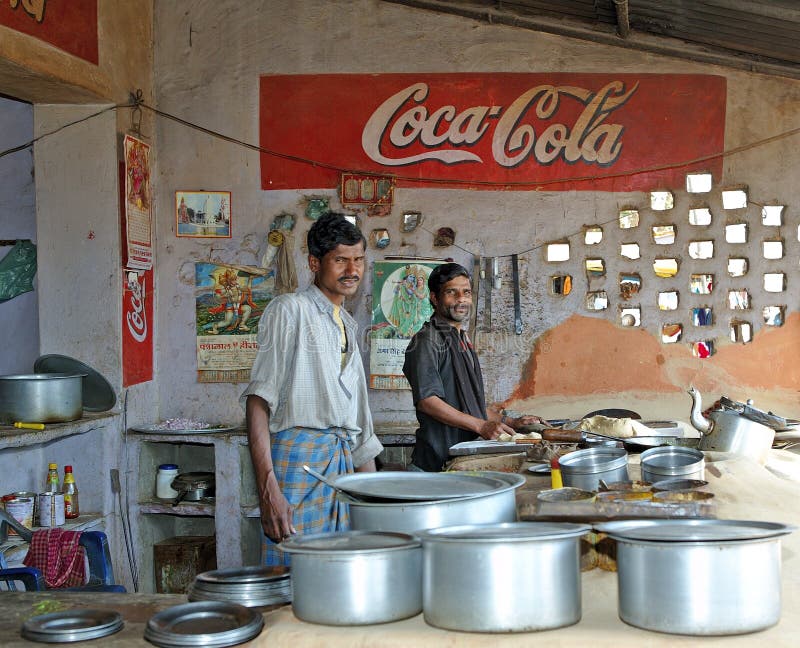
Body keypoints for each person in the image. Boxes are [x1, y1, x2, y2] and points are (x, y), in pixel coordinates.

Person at [242, 213, 383, 565]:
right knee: (294, 577)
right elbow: (258, 403)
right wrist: (268, 490)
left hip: (342, 470)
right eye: (340, 260)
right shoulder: (290, 310)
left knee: (337, 577)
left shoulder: (348, 325)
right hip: (297, 466)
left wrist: (376, 499)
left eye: (358, 260)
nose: (352, 270)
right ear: (314, 263)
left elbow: (360, 429)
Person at [403, 262, 544, 472]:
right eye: (452, 292)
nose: (461, 299)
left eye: (466, 292)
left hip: (461, 460)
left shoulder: (461, 339)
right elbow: (428, 401)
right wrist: (480, 426)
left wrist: (511, 422)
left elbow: (470, 406)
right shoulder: (427, 340)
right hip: (435, 467)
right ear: (434, 297)